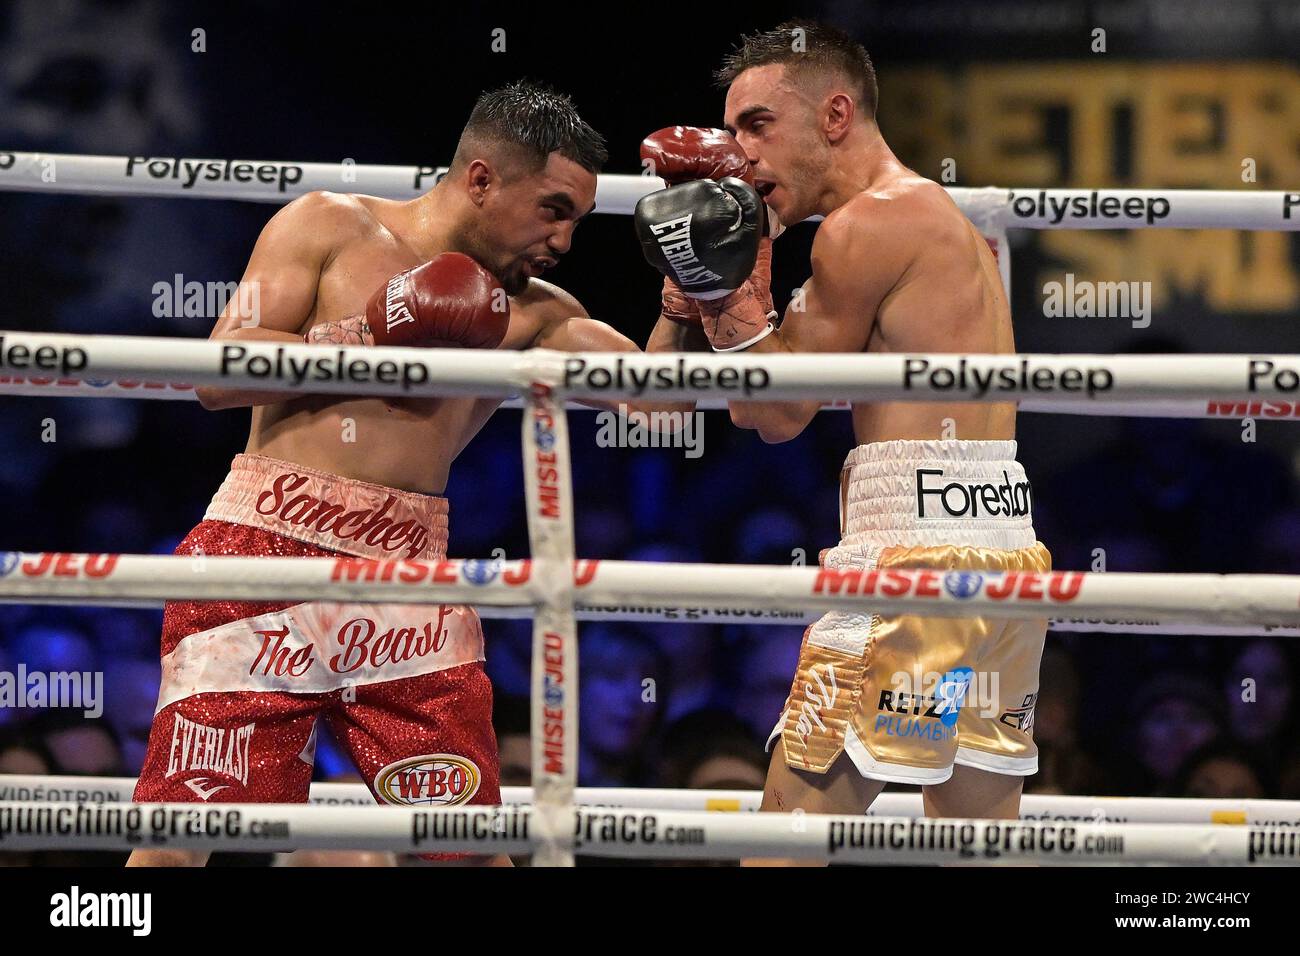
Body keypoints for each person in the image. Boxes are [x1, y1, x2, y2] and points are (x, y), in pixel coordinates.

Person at [129, 81, 686, 867]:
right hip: (260, 549)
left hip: (407, 582)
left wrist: (693, 287)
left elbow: (659, 406)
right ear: (483, 177)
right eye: (554, 209)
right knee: (178, 842)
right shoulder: (327, 223)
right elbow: (218, 378)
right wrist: (372, 330)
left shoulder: (538, 314)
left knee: (470, 848)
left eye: (578, 221)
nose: (563, 239)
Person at [634, 20, 1050, 863]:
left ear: (834, 115)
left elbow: (774, 413)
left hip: (909, 563)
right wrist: (701, 286)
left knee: (785, 840)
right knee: (976, 842)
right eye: (731, 130)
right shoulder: (929, 219)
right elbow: (685, 398)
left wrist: (724, 279)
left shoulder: (865, 228)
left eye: (757, 126)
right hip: (1001, 558)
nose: (738, 154)